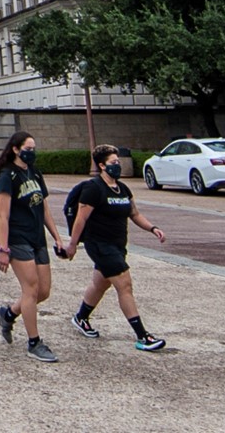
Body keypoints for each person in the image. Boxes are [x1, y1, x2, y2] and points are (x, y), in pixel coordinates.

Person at [62, 144, 168, 351]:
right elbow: (81, 219)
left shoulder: (123, 189)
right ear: (102, 165)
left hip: (118, 245)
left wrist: (153, 228)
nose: (117, 166)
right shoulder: (93, 189)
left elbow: (134, 214)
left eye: (118, 162)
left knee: (100, 284)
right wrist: (72, 245)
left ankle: (81, 318)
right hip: (99, 245)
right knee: (124, 285)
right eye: (113, 163)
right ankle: (142, 336)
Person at [0, 131, 62, 362]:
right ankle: (34, 342)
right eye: (28, 148)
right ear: (15, 149)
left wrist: (57, 237)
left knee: (43, 291)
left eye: (33, 148)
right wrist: (3, 248)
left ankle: (8, 313)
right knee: (30, 290)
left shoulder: (34, 172)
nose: (32, 152)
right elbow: (3, 215)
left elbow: (44, 208)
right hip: (18, 238)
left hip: (37, 236)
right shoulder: (6, 176)